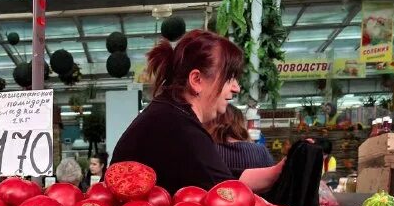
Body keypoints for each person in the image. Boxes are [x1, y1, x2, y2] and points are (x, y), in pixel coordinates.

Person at [111, 29, 284, 194]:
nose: (236, 88)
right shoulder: (178, 127)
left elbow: (222, 178)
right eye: (229, 78)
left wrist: (276, 172)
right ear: (197, 80)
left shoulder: (169, 114)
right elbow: (225, 192)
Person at [206, 104, 275, 176]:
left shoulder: (206, 152)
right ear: (241, 123)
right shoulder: (261, 151)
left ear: (211, 123)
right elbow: (272, 180)